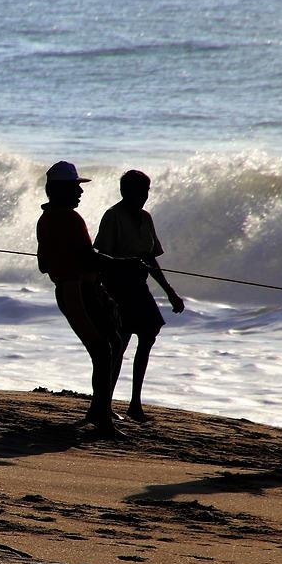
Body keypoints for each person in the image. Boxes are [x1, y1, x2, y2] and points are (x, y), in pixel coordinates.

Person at [35, 161, 140, 437]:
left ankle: (99, 409)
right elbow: (87, 256)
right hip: (76, 293)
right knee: (103, 350)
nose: (80, 193)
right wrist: (125, 263)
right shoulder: (69, 218)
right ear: (60, 190)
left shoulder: (46, 219)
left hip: (75, 290)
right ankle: (102, 417)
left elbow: (43, 264)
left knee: (113, 343)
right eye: (75, 188)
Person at [94, 169, 185, 422]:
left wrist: (170, 293)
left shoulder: (146, 218)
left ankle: (135, 403)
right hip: (117, 288)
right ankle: (105, 404)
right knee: (118, 346)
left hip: (139, 287)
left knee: (148, 335)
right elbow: (102, 258)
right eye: (140, 191)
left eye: (146, 191)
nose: (144, 196)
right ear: (126, 192)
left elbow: (150, 259)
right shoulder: (113, 216)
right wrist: (104, 292)